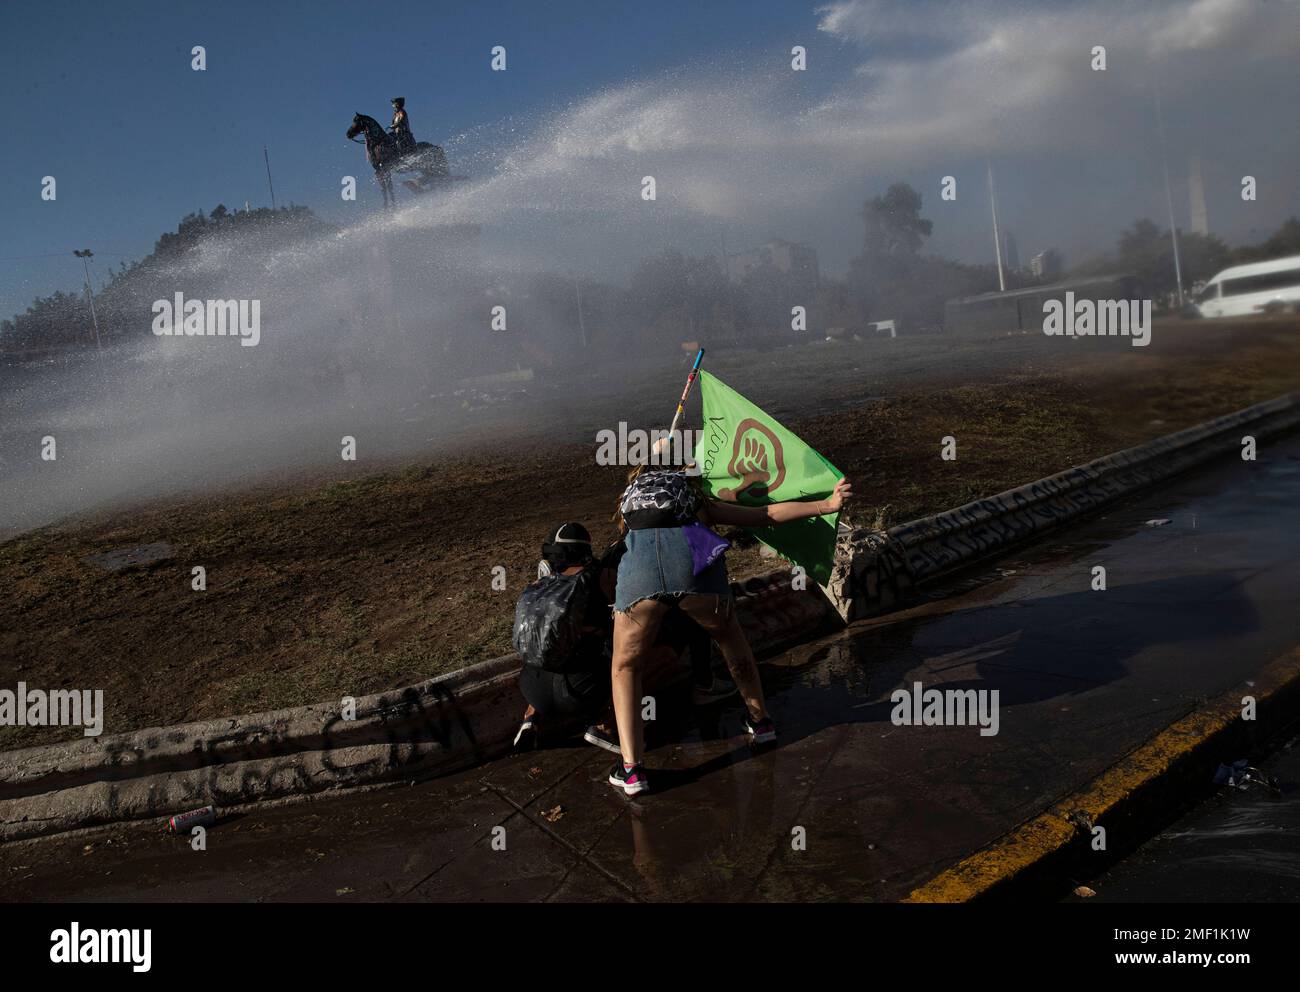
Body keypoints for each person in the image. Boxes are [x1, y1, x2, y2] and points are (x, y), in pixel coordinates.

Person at [607, 462, 852, 795]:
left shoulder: (629, 502)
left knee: (625, 666)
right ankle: (760, 721)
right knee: (729, 638)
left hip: (642, 571)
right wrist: (827, 505)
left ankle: (633, 770)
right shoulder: (694, 500)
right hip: (693, 564)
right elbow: (765, 514)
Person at [512, 522, 734, 753]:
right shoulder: (597, 578)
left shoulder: (539, 585)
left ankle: (530, 720)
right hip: (578, 693)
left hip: (532, 688)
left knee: (550, 648)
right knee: (660, 656)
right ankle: (607, 725)